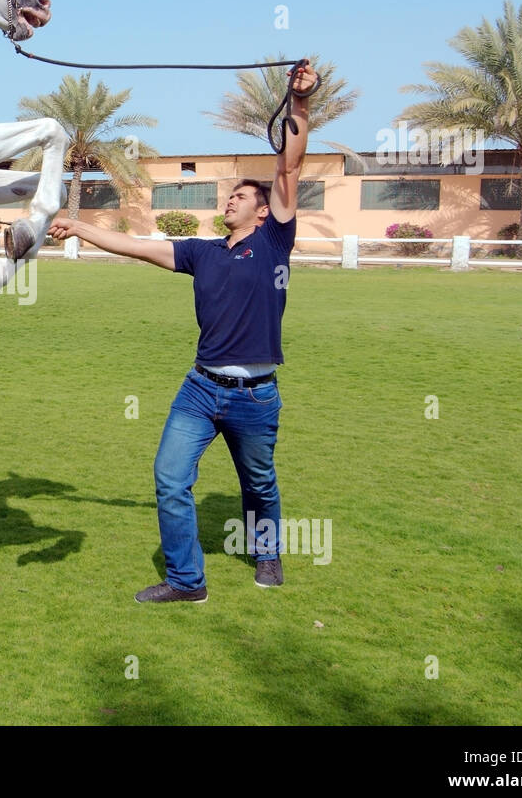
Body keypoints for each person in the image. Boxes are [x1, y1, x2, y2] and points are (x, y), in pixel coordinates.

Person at [49, 62, 319, 603]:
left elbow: (288, 171)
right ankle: (186, 582)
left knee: (259, 484)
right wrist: (79, 227)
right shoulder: (202, 253)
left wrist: (301, 104)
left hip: (256, 395)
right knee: (170, 479)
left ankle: (267, 552)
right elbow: (141, 247)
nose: (228, 202)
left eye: (239, 198)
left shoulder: (273, 245)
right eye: (228, 198)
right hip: (200, 388)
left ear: (265, 212)